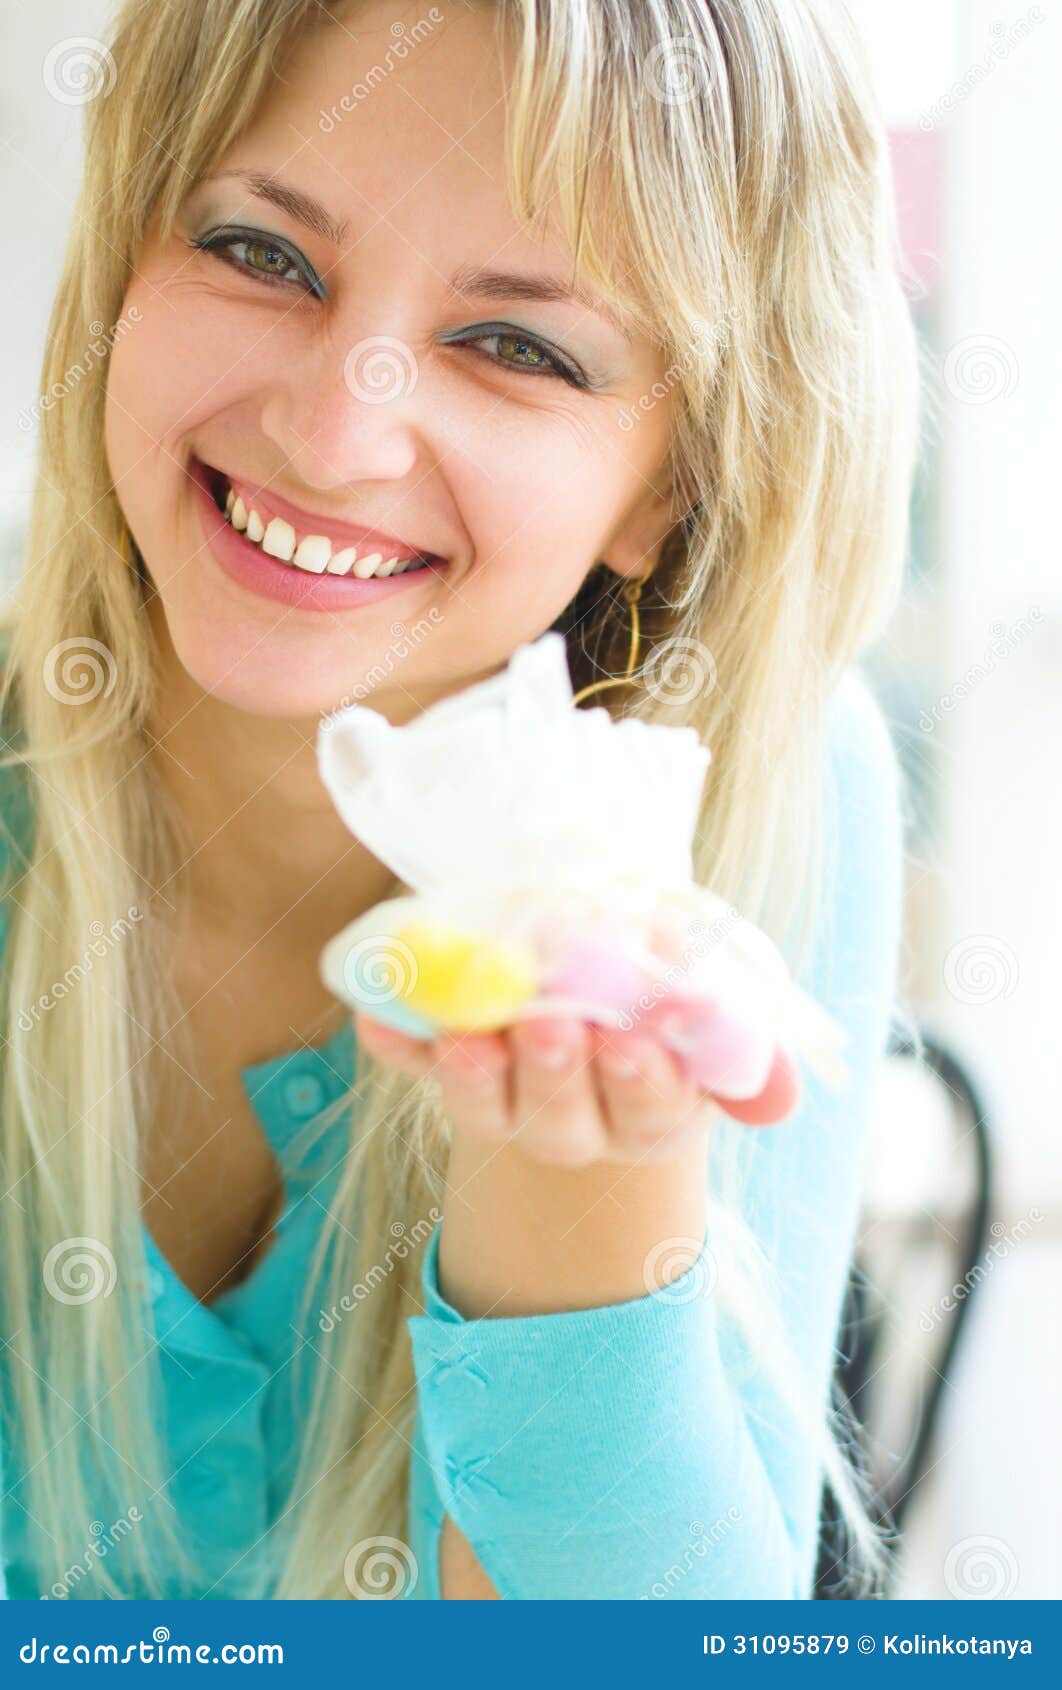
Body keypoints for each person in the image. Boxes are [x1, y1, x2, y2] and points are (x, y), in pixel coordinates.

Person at [0, 0, 918, 1600]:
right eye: (261, 253)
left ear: (671, 485)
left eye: (516, 347)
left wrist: (578, 1210)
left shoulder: (756, 790)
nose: (334, 434)